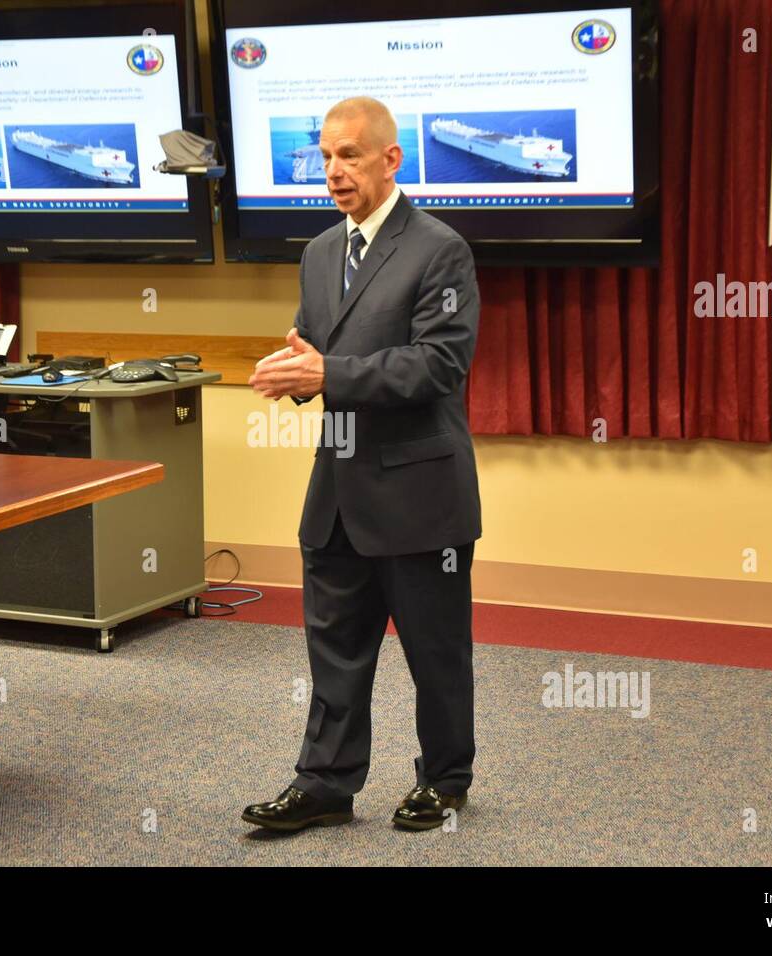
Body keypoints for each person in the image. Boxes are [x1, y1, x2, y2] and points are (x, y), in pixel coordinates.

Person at [244, 96, 482, 832]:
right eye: (323, 156)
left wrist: (327, 376)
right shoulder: (319, 251)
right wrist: (293, 372)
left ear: (390, 159)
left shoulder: (440, 248)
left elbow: (438, 366)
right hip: (339, 488)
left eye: (348, 155)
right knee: (336, 651)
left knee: (434, 654)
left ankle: (444, 780)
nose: (333, 171)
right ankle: (325, 781)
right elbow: (319, 348)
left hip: (418, 493)